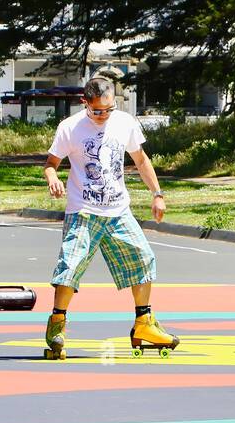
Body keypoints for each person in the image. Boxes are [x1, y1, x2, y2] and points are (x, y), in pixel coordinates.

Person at [41, 76, 177, 359]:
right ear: (85, 104)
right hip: (84, 212)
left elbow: (140, 159)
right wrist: (53, 178)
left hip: (118, 211)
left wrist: (157, 193)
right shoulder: (70, 128)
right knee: (71, 264)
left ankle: (144, 324)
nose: (103, 116)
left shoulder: (125, 122)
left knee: (143, 258)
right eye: (97, 111)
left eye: (108, 109)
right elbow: (51, 164)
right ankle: (57, 324)